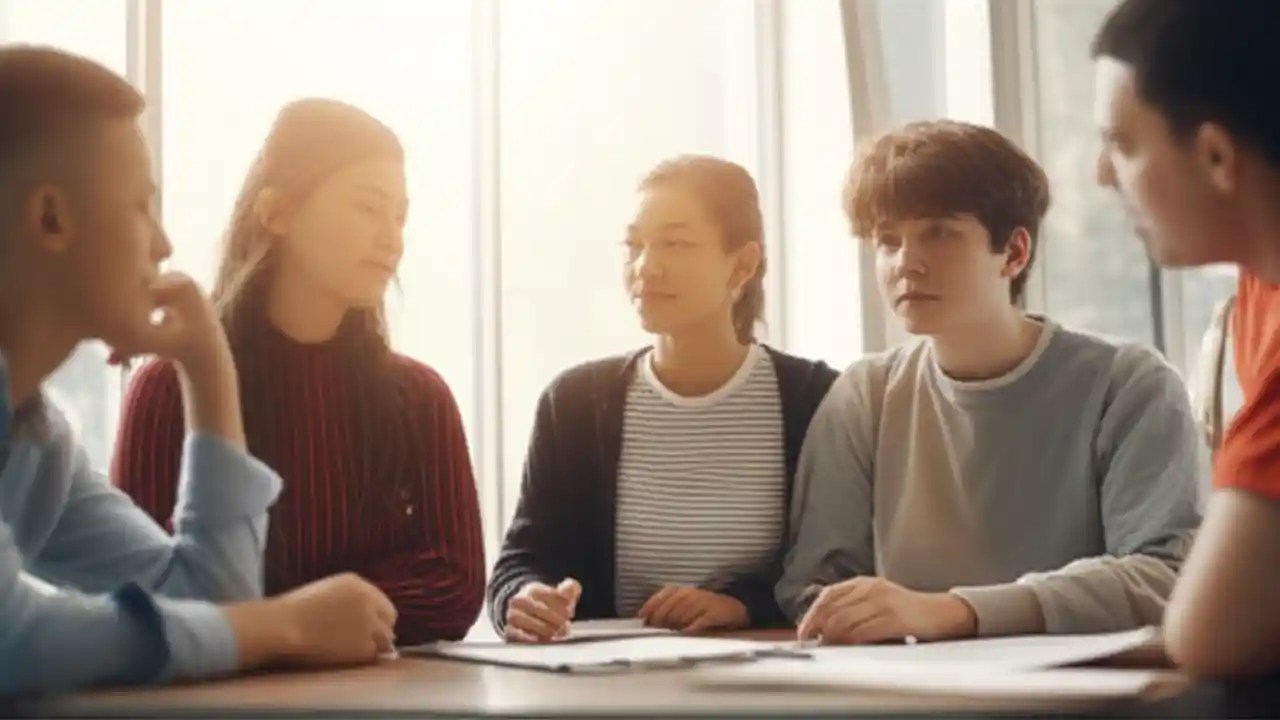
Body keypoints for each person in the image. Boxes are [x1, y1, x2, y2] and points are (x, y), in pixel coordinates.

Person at [0, 45, 396, 695]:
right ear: (51, 217)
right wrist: (284, 627)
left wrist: (210, 371)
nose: (162, 243)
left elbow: (213, 600)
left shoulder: (39, 444)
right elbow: (13, 638)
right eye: (138, 206)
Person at [777, 120, 1204, 645]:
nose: (906, 262)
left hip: (1079, 693)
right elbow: (814, 587)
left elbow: (1164, 576)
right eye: (887, 241)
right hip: (903, 685)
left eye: (938, 232)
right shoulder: (865, 394)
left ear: (1015, 253)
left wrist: (956, 612)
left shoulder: (1128, 385)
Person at [113, 98, 484, 645]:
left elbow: (455, 585)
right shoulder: (169, 387)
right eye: (367, 207)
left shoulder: (419, 395)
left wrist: (270, 620)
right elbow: (141, 592)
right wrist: (304, 624)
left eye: (400, 215)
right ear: (276, 213)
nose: (393, 237)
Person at [488, 155, 837, 642]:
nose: (645, 267)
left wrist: (741, 606)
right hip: (608, 684)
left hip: (768, 682)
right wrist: (523, 599)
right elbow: (521, 560)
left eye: (675, 243)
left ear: (743, 264)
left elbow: (840, 568)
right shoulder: (573, 402)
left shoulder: (817, 399)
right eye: (633, 246)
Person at [1092, 0, 1280, 677]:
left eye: (1122, 142)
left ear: (1216, 155)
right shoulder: (1257, 294)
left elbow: (1213, 632)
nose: (1103, 174)